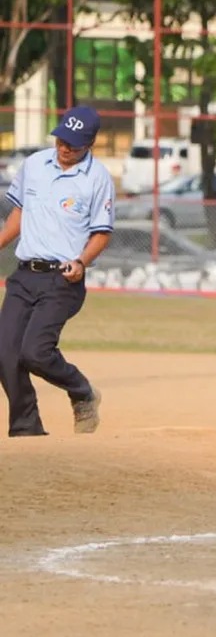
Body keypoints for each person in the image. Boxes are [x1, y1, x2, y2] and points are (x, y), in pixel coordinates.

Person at [0, 106, 112, 437]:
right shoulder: (34, 165)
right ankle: (27, 428)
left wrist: (81, 262)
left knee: (35, 352)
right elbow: (19, 216)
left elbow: (101, 233)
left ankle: (82, 391)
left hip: (63, 279)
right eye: (61, 140)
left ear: (90, 143)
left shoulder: (97, 178)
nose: (64, 148)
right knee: (5, 354)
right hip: (24, 275)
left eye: (73, 144)